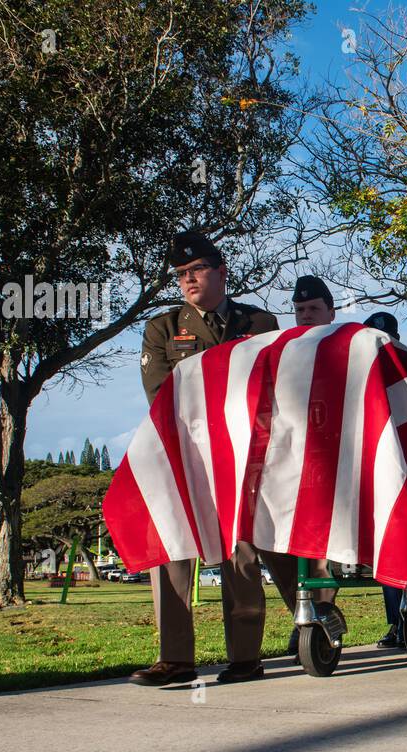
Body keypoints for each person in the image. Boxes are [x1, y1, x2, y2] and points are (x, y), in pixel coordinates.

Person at [131, 231, 301, 686]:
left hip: (243, 458)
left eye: (196, 270)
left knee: (242, 551)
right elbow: (161, 394)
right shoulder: (164, 328)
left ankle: (245, 658)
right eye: (181, 275)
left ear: (221, 272)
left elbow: (277, 387)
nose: (187, 280)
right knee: (171, 549)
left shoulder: (259, 322)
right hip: (185, 457)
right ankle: (175, 660)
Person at [366, 311, 407, 648]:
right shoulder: (357, 375)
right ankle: (397, 621)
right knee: (386, 546)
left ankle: (406, 617)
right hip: (372, 472)